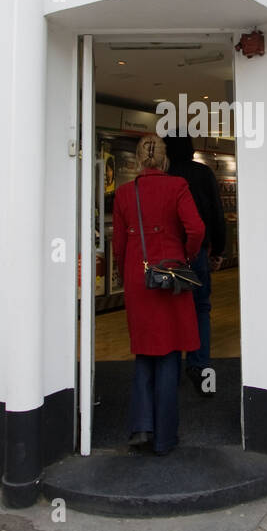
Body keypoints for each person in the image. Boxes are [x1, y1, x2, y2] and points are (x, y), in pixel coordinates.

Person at [111, 134, 205, 456]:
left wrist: (129, 274)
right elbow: (197, 229)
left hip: (140, 277)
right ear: (164, 160)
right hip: (171, 275)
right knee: (168, 353)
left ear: (139, 160)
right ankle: (165, 437)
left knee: (144, 351)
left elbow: (119, 245)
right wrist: (185, 257)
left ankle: (141, 427)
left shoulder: (125, 193)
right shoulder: (177, 186)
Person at [162, 134, 226, 396]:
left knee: (173, 311)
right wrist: (219, 250)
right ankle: (199, 365)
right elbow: (216, 213)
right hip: (199, 252)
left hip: (172, 254)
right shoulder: (204, 173)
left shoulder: (167, 176)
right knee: (201, 308)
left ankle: (172, 370)